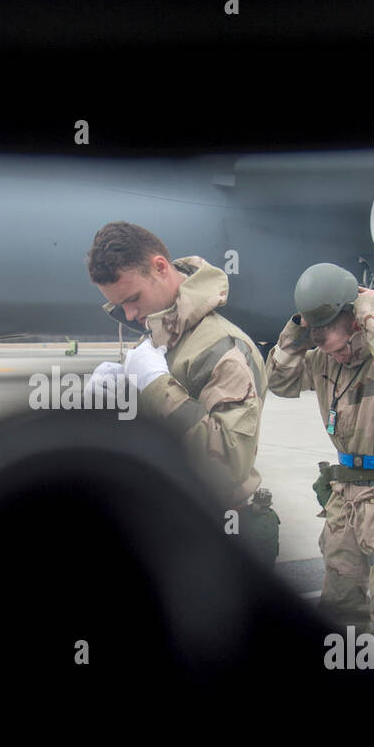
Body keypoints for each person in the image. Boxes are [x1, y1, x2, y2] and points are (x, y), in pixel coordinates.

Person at [85, 221, 278, 562]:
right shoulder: (161, 336)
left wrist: (156, 386)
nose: (130, 314)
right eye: (120, 306)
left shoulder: (223, 347)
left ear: (160, 267)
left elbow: (229, 465)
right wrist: (120, 398)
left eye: (133, 299)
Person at [265, 263, 374, 634]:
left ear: (356, 324)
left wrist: (372, 310)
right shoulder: (324, 360)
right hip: (344, 495)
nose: (336, 356)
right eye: (326, 349)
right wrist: (297, 328)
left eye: (339, 348)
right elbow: (278, 380)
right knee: (339, 603)